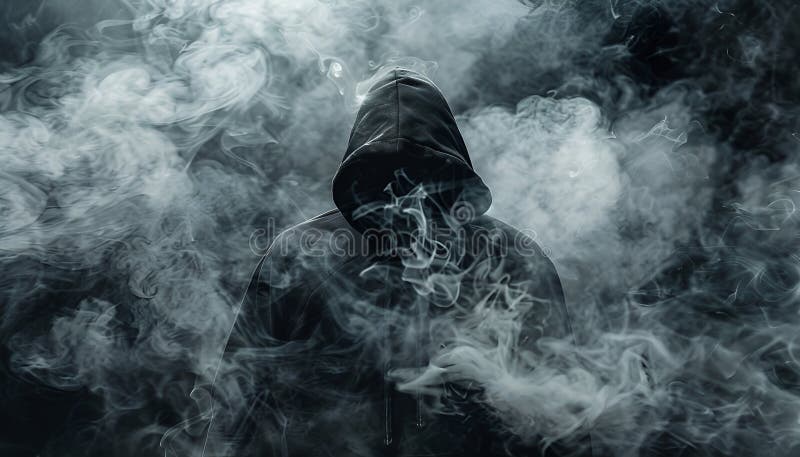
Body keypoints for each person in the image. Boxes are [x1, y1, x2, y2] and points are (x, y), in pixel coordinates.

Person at [208, 68, 576, 457]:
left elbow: (564, 405)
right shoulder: (303, 252)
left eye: (424, 175)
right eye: (386, 172)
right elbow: (240, 397)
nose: (405, 193)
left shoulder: (514, 259)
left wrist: (500, 385)